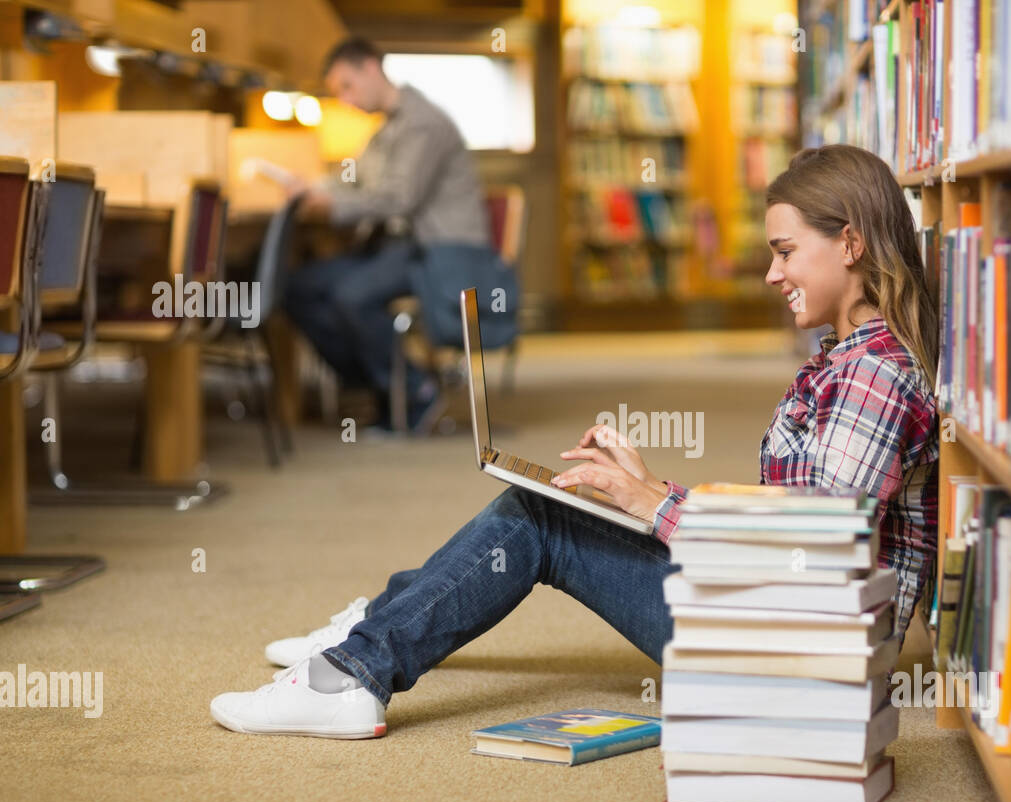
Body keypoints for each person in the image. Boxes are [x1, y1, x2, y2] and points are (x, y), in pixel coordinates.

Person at [210, 145, 940, 738]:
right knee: (556, 503)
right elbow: (795, 513)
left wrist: (653, 507)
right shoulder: (849, 357)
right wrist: (654, 493)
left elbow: (811, 552)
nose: (771, 272)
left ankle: (356, 671)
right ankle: (373, 633)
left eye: (785, 251)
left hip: (794, 656)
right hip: (775, 623)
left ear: (851, 242)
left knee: (542, 519)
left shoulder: (872, 375)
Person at [283, 36, 491, 432]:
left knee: (351, 296)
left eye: (347, 86)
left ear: (372, 69)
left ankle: (414, 392)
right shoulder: (387, 128)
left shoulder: (422, 123)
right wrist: (316, 189)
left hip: (438, 250)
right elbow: (357, 180)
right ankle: (378, 385)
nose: (345, 99)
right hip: (396, 247)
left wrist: (331, 206)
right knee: (300, 287)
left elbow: (399, 199)